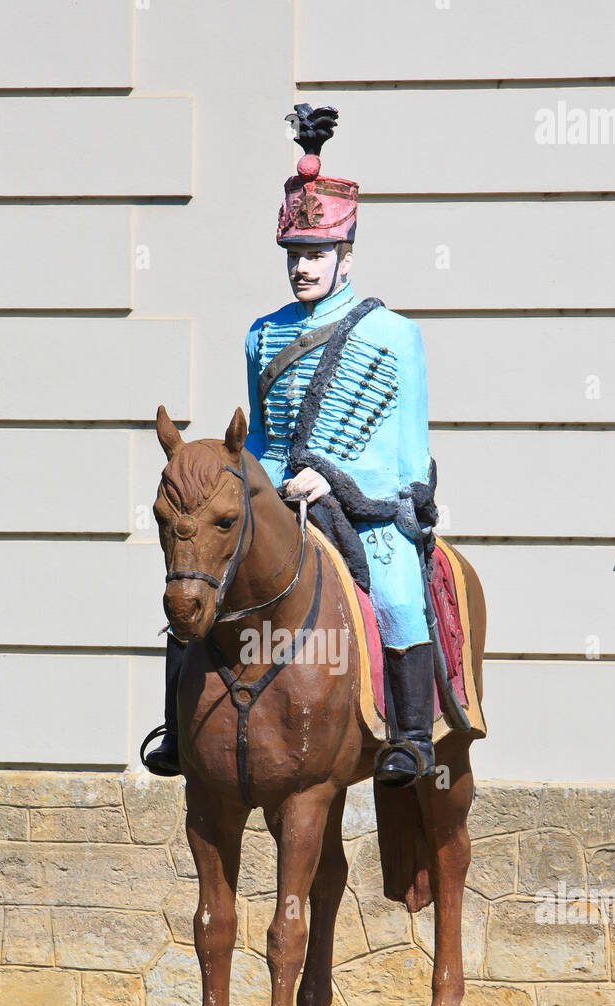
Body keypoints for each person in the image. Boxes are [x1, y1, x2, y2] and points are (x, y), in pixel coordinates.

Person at [142, 103, 437, 787]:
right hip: (278, 499)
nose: (303, 268)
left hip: (366, 507)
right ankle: (178, 734)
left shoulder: (395, 335)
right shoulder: (262, 333)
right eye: (296, 256)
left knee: (394, 593)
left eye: (317, 255)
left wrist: (335, 480)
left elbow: (408, 453)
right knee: (199, 587)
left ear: (347, 255)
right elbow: (268, 440)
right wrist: (269, 482)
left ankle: (413, 739)